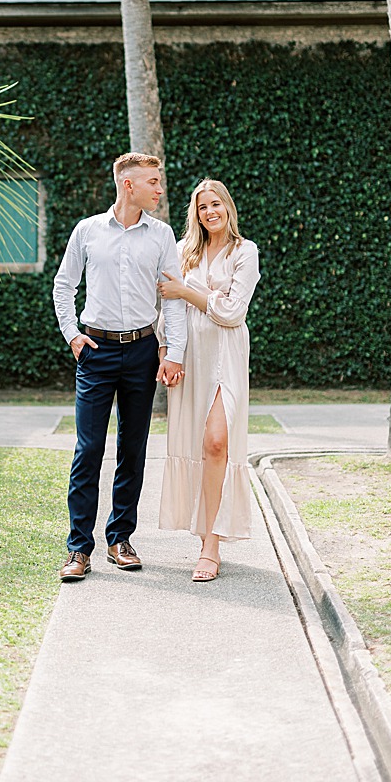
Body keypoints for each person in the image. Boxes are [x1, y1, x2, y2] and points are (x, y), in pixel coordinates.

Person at [51, 152, 187, 582]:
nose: (159, 189)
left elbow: (173, 297)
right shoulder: (87, 231)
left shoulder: (162, 235)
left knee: (133, 448)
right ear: (128, 185)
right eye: (152, 182)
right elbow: (63, 284)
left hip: (143, 350)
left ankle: (120, 538)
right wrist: (73, 335)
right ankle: (78, 549)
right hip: (96, 351)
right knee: (88, 450)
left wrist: (174, 351)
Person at [157, 179, 262, 581]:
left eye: (215, 204)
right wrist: (168, 353)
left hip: (227, 355)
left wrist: (186, 291)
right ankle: (204, 537)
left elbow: (233, 312)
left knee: (218, 440)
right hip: (191, 359)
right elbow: (166, 308)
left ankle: (212, 544)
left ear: (227, 207)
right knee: (196, 444)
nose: (209, 212)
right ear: (195, 214)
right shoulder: (184, 252)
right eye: (202, 207)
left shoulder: (244, 251)